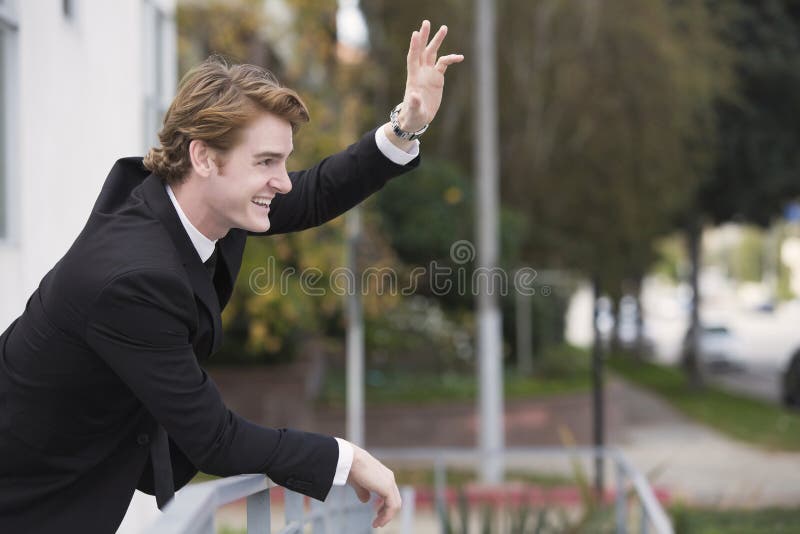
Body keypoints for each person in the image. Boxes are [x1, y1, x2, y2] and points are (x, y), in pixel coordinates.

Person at [0, 20, 463, 533]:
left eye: (283, 162)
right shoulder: (132, 279)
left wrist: (404, 126)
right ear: (203, 156)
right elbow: (214, 438)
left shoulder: (201, 204)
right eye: (266, 162)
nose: (282, 182)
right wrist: (345, 459)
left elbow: (312, 194)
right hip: (26, 499)